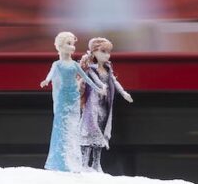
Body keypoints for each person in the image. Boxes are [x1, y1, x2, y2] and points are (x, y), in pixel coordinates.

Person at [79, 36, 133, 175]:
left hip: (104, 104)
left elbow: (113, 81)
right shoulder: (91, 68)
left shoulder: (108, 67)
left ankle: (96, 164)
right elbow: (96, 80)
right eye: (103, 51)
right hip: (92, 105)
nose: (107, 55)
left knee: (101, 132)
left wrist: (123, 93)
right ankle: (84, 163)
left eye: (108, 52)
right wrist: (101, 87)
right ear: (94, 52)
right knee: (90, 132)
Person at [38, 31, 83, 173]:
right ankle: (62, 161)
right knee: (62, 128)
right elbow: (50, 75)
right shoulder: (57, 64)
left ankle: (73, 162)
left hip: (73, 98)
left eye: (73, 44)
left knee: (73, 128)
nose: (72, 47)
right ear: (60, 46)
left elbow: (85, 78)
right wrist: (46, 81)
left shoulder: (75, 64)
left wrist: (98, 87)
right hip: (63, 97)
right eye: (69, 44)